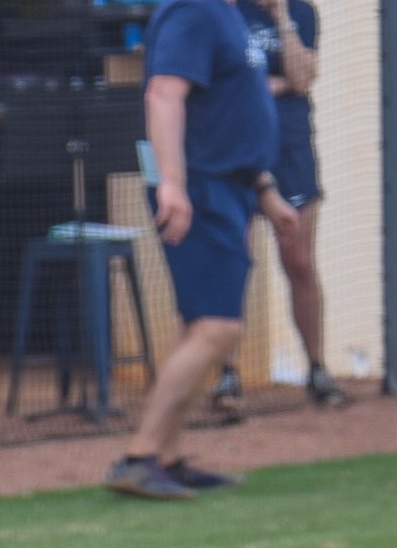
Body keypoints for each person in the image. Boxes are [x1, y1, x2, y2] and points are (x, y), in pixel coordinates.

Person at [103, 0, 299, 501]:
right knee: (217, 326)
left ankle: (165, 456)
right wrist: (172, 183)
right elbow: (164, 94)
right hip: (202, 188)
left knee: (203, 325)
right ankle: (140, 457)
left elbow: (229, 114)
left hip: (230, 188)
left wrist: (264, 189)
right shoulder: (194, 8)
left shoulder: (228, 13)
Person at [235, 0, 347, 409]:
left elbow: (301, 79)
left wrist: (281, 21)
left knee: (298, 260)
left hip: (292, 149)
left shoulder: (301, 12)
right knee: (236, 262)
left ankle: (317, 369)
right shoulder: (230, 11)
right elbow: (231, 83)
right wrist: (274, 80)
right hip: (239, 150)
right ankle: (226, 376)